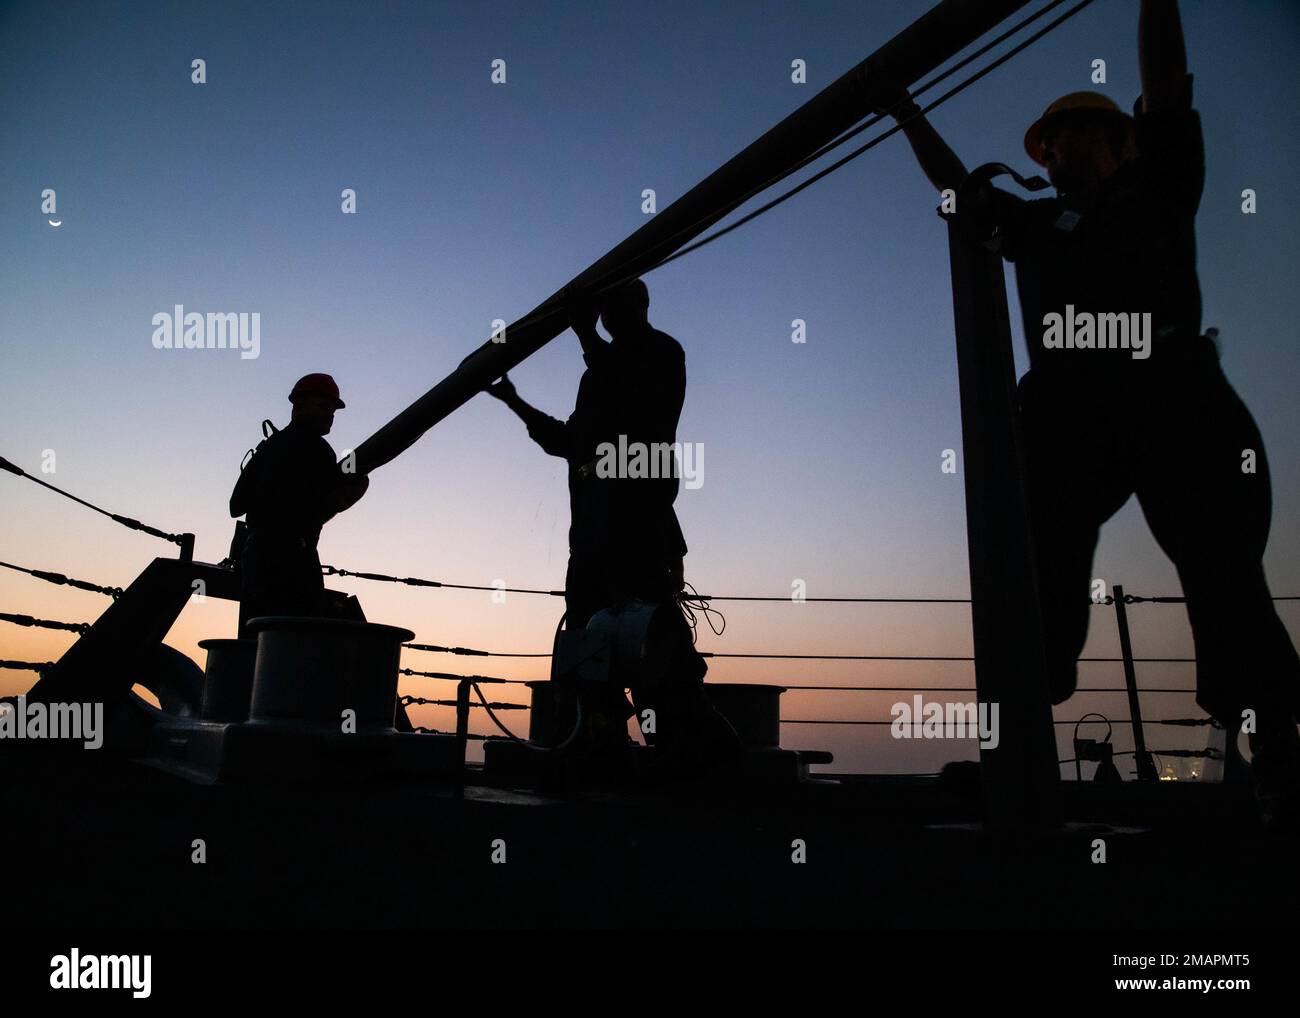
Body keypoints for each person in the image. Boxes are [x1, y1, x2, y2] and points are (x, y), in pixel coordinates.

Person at [881, 0, 1299, 827]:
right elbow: (961, 192)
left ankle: (1278, 751)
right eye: (1054, 140)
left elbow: (1165, 87)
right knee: (1033, 558)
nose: (1064, 147)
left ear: (1119, 145)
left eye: (1081, 135)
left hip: (1174, 390)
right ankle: (1019, 745)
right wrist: (900, 109)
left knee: (1222, 568)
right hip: (1073, 410)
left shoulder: (1162, 186)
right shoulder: (1034, 225)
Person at [486, 280, 740, 772]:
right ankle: (597, 752)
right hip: (591, 545)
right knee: (586, 657)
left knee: (655, 654)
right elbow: (567, 439)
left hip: (638, 534)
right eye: (602, 310)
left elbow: (636, 402)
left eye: (611, 307)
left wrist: (584, 339)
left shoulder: (661, 355)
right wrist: (513, 401)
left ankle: (693, 761)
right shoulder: (598, 375)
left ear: (639, 306)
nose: (604, 317)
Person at [230, 373, 369, 633]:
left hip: (257, 560)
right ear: (299, 406)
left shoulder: (269, 448)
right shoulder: (316, 451)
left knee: (256, 644)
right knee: (298, 641)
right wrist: (345, 493)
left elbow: (236, 505)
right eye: (323, 406)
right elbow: (314, 507)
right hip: (292, 563)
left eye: (333, 410)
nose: (330, 415)